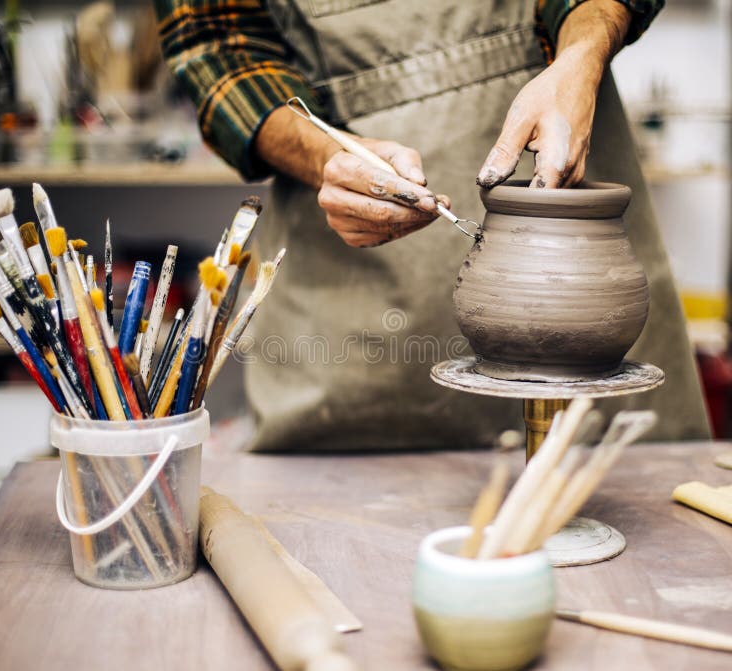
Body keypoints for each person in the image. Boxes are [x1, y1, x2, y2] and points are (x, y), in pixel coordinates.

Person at [154, 0, 711, 449]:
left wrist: (582, 55)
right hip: (360, 328)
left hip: (595, 269)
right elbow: (217, 53)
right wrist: (324, 155)